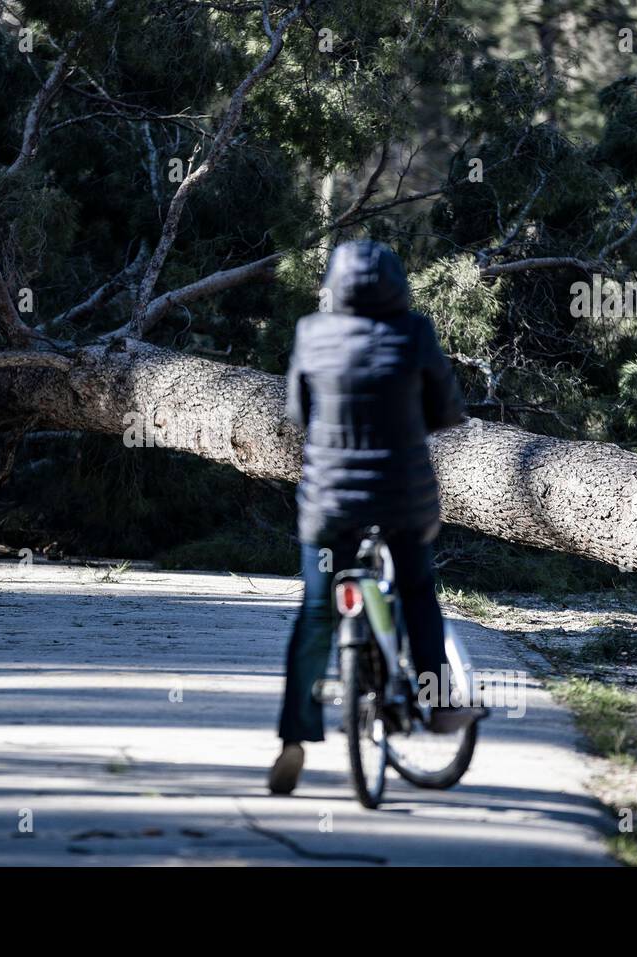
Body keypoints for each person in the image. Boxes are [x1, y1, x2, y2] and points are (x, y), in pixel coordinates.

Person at [269, 239, 471, 796]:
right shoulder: (414, 332)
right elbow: (448, 410)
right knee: (416, 590)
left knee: (315, 613)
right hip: (402, 500)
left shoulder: (312, 332)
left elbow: (298, 412)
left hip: (329, 504)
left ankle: (293, 736)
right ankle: (439, 702)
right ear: (397, 283)